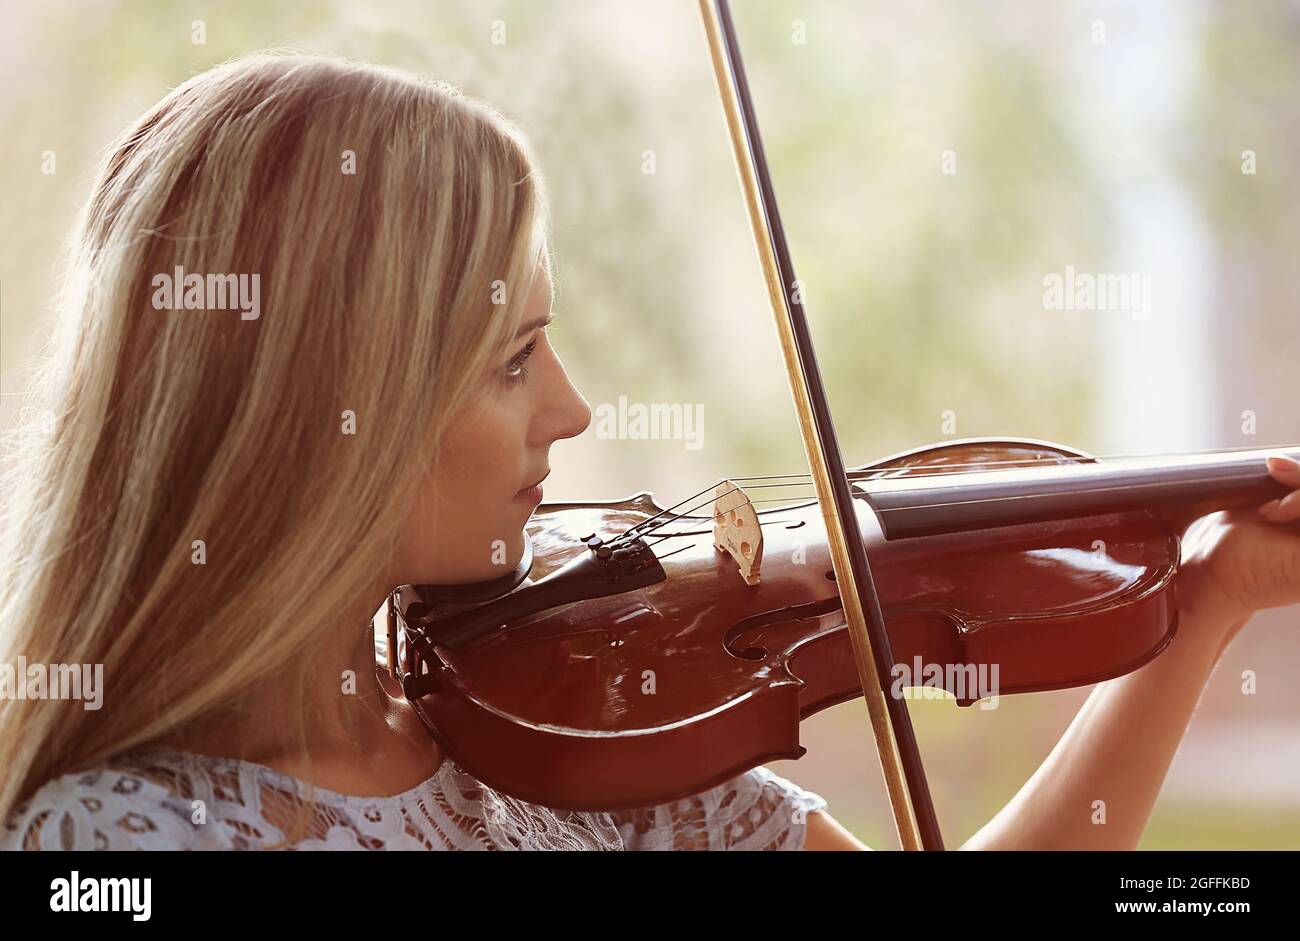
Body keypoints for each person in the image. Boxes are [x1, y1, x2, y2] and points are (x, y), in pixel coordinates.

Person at [0, 54, 1296, 851]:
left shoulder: (577, 739)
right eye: (512, 360)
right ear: (334, 409)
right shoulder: (115, 841)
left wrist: (1207, 597)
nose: (568, 410)